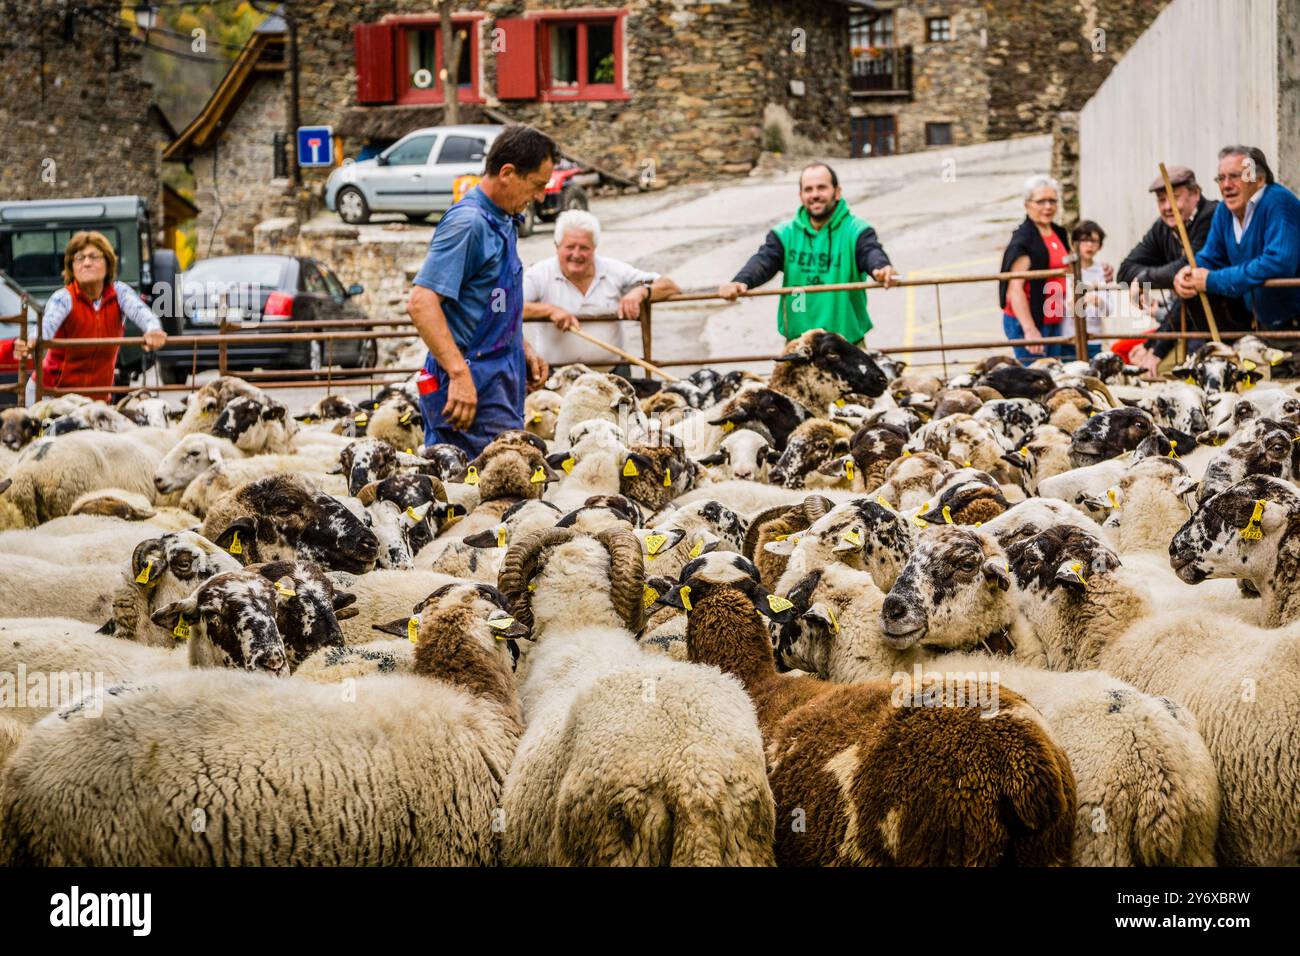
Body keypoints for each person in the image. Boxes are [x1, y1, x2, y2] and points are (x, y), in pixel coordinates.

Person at [406, 124, 556, 456]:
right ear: (507, 173)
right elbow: (421, 301)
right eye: (537, 185)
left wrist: (522, 346)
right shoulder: (468, 224)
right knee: (468, 494)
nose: (540, 197)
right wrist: (458, 374)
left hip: (498, 384)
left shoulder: (503, 221)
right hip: (470, 392)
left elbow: (490, 302)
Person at [718, 163, 896, 346]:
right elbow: (765, 260)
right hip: (798, 344)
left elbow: (870, 251)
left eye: (822, 187)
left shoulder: (855, 230)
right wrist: (740, 281)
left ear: (837, 192)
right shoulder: (785, 233)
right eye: (808, 189)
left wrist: (880, 268)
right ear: (801, 196)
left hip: (846, 345)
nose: (815, 195)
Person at [1119, 165, 1251, 376]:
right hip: (1188, 326)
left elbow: (1190, 276)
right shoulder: (1163, 228)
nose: (1167, 207)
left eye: (1174, 198)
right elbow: (1125, 270)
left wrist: (1146, 278)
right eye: (1161, 200)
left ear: (1195, 194)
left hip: (1228, 325)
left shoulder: (1213, 217)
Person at [14, 231, 167, 404]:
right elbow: (46, 327)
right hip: (51, 397)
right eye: (79, 258)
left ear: (108, 263)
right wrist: (30, 340)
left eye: (94, 256)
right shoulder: (63, 298)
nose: (86, 263)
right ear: (71, 267)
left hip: (96, 398)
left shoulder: (120, 293)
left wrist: (153, 330)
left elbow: (143, 313)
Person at [522, 209, 681, 372]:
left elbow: (670, 285)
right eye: (570, 247)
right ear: (557, 246)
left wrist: (641, 292)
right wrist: (548, 310)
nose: (576, 254)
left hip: (612, 374)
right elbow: (508, 307)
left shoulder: (613, 270)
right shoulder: (539, 274)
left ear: (594, 247)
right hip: (558, 378)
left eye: (584, 247)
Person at [1174, 145, 1300, 334]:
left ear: (1259, 179)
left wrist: (1211, 280)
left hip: (1294, 323)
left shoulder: (1277, 202)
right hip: (1264, 325)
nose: (1226, 185)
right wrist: (1188, 272)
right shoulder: (1224, 211)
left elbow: (1278, 262)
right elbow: (1211, 257)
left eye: (1234, 176)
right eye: (1221, 178)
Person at [998, 175, 1075, 362]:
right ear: (1027, 205)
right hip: (1031, 322)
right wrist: (1030, 330)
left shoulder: (1059, 232)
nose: (1048, 207)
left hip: (1055, 319)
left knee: (1055, 374)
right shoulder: (1023, 241)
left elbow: (1070, 268)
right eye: (1041, 201)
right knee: (1036, 378)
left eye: (1052, 201)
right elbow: (1015, 289)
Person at [1061, 220, 1113, 359]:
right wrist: (1080, 301)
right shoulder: (1065, 270)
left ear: (1100, 245)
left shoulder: (1102, 271)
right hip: (1068, 337)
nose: (1089, 245)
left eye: (1094, 241)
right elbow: (1065, 308)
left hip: (1093, 337)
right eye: (1084, 240)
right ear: (1074, 243)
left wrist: (1096, 300)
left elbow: (1108, 310)